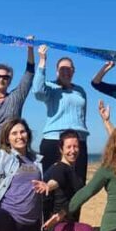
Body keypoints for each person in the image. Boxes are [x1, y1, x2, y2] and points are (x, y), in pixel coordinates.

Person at [33, 130, 111, 231]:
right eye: (68, 147)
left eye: (75, 146)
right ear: (61, 149)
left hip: (69, 227)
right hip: (57, 227)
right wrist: (48, 186)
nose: (73, 151)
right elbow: (57, 180)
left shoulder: (72, 169)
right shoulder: (60, 168)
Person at [34, 45, 89, 182]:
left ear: (73, 71)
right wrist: (42, 60)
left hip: (78, 141)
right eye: (62, 69)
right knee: (50, 183)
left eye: (69, 69)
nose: (66, 71)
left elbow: (81, 117)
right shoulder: (50, 87)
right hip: (54, 140)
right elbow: (38, 92)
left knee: (77, 184)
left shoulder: (80, 91)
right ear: (57, 71)